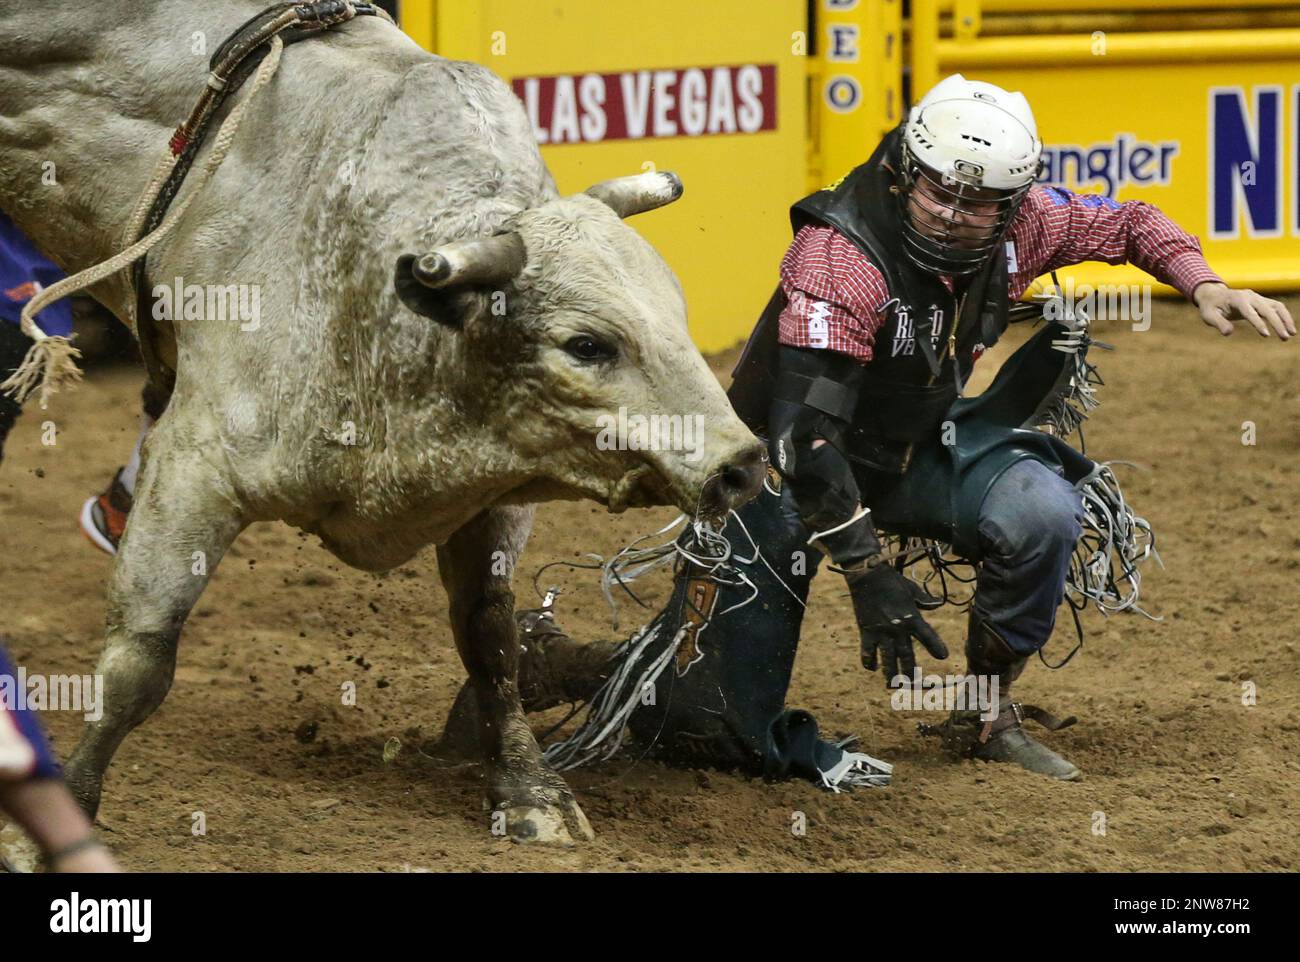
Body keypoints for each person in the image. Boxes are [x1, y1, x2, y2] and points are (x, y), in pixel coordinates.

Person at [441, 74, 1293, 788]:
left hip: (913, 448)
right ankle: (560, 664)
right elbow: (805, 436)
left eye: (980, 201)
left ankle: (985, 714)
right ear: (903, 174)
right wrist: (867, 573)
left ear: (1013, 201)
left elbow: (1132, 222)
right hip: (771, 471)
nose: (955, 212)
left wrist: (1202, 282)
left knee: (1041, 513)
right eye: (939, 189)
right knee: (712, 724)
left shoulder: (1026, 224)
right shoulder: (839, 257)